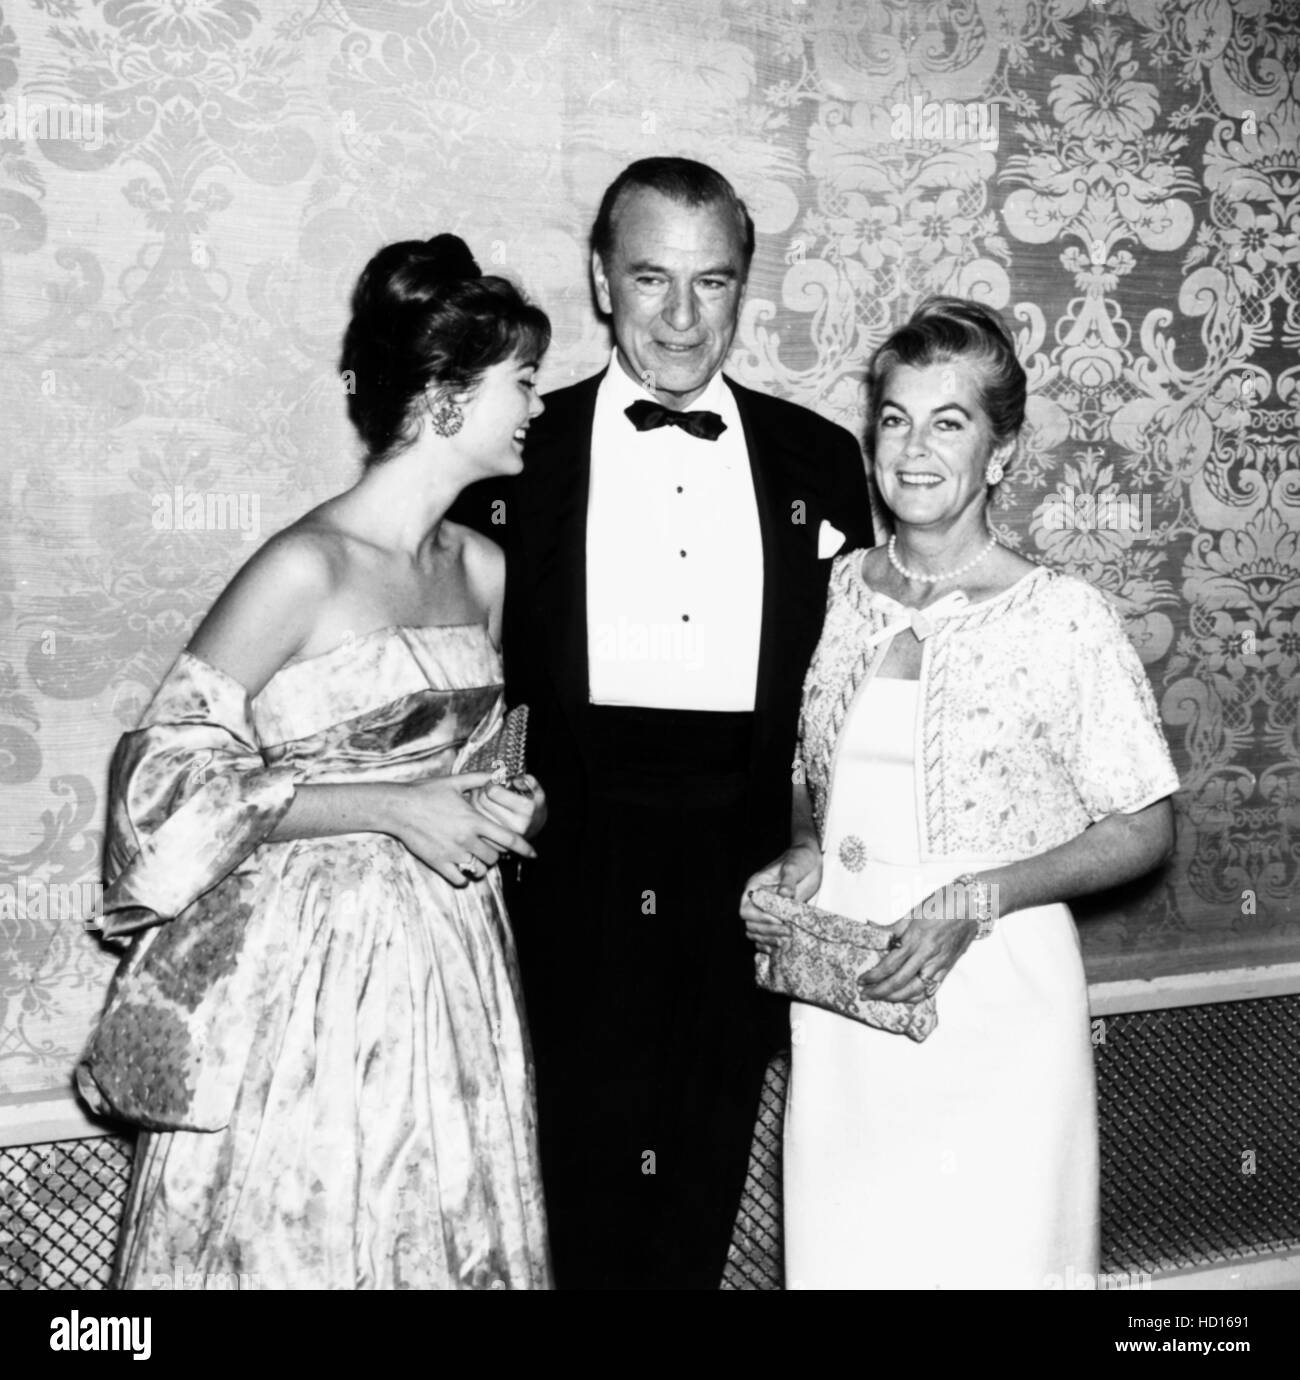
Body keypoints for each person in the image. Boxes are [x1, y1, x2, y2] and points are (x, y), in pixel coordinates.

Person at [85, 235, 553, 1289]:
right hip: (311, 977)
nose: (536, 405)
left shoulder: (482, 569)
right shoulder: (305, 568)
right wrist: (386, 806)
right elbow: (159, 788)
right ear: (444, 399)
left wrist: (507, 801)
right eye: (521, 383)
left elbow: (468, 774)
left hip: (454, 965)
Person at [451, 157, 873, 1289]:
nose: (683, 318)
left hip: (741, 864)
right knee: (574, 1195)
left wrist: (810, 835)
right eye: (650, 279)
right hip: (567, 865)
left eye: (713, 282)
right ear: (600, 280)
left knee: (701, 1176)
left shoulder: (820, 462)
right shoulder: (510, 457)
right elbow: (459, 687)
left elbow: (848, 688)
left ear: (745, 288)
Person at [741, 296, 1180, 1289]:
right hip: (847, 993)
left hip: (994, 991)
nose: (914, 449)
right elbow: (808, 776)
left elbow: (1144, 826)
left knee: (994, 1254)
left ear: (1003, 450)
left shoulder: (1061, 617)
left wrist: (973, 898)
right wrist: (803, 854)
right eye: (895, 419)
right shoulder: (839, 592)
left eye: (950, 422)